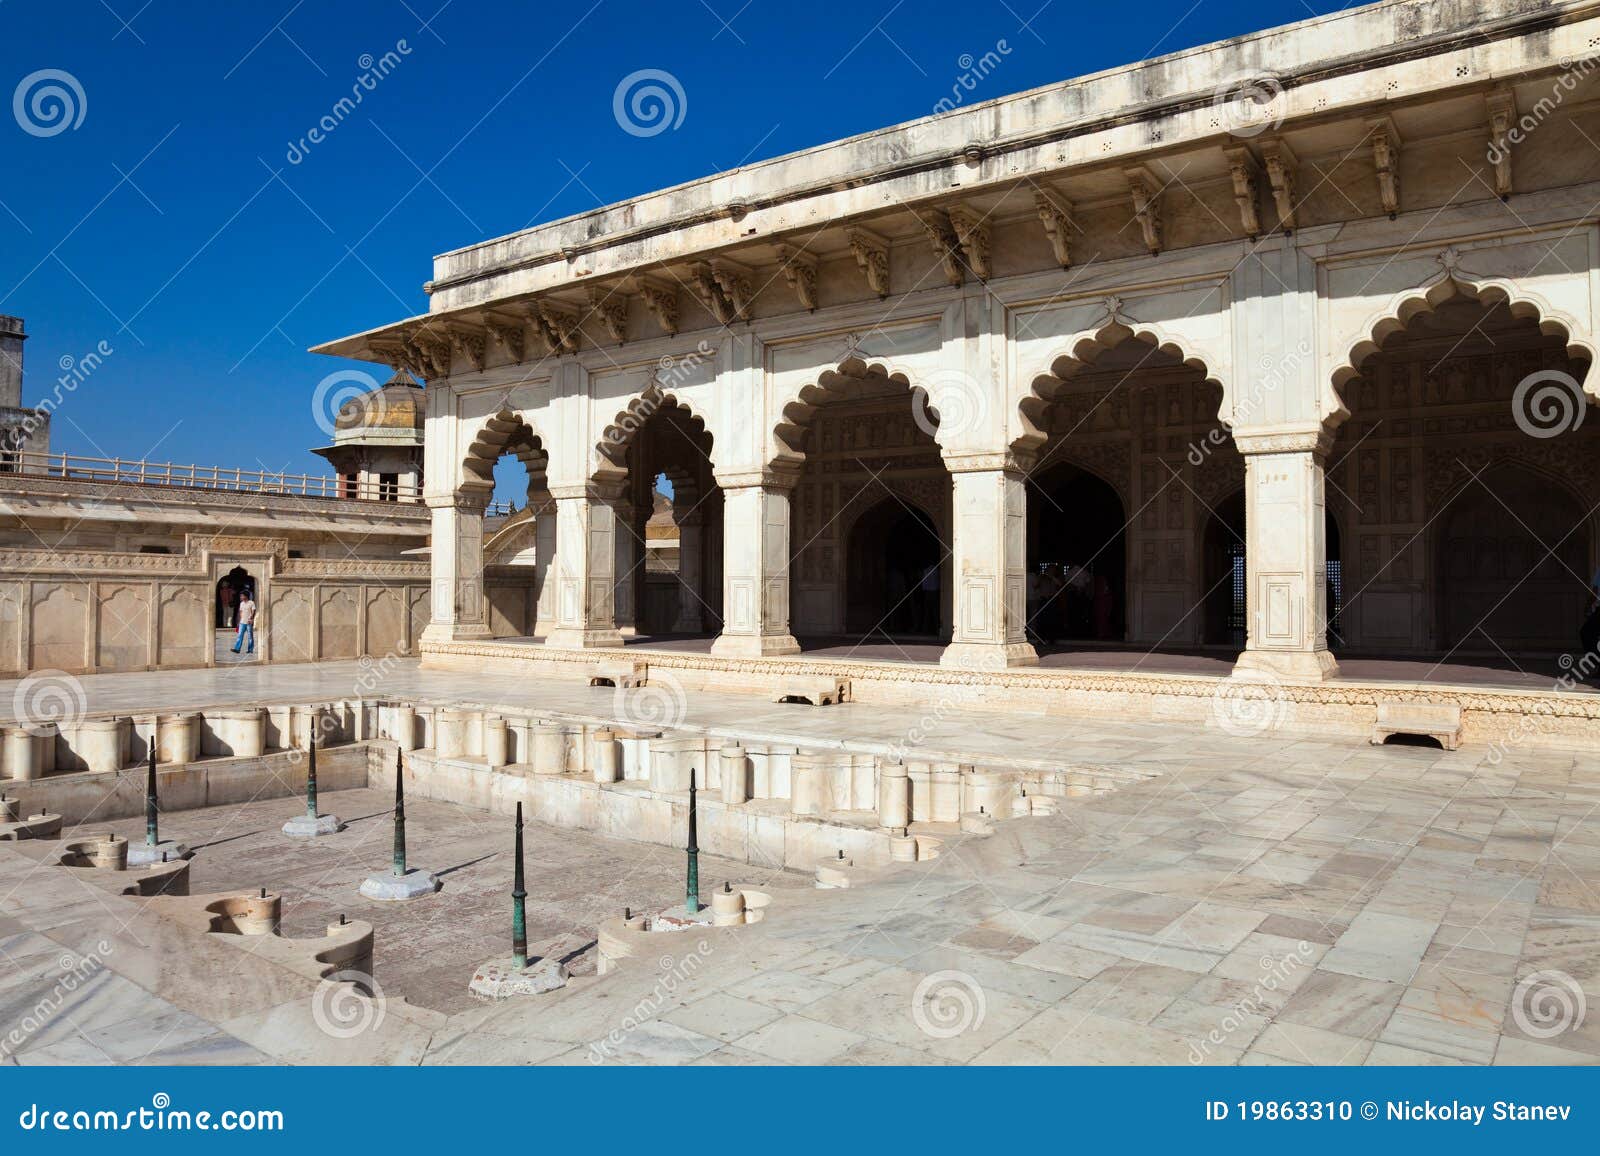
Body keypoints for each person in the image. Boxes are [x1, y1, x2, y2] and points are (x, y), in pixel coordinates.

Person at [232, 589, 257, 655]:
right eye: (240, 596)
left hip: (249, 622)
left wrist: (251, 618)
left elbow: (253, 611)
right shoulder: (241, 603)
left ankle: (250, 649)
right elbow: (240, 612)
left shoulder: (251, 602)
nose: (241, 597)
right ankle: (237, 649)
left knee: (250, 637)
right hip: (242, 622)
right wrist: (239, 621)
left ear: (246, 596)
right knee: (239, 636)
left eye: (242, 596)